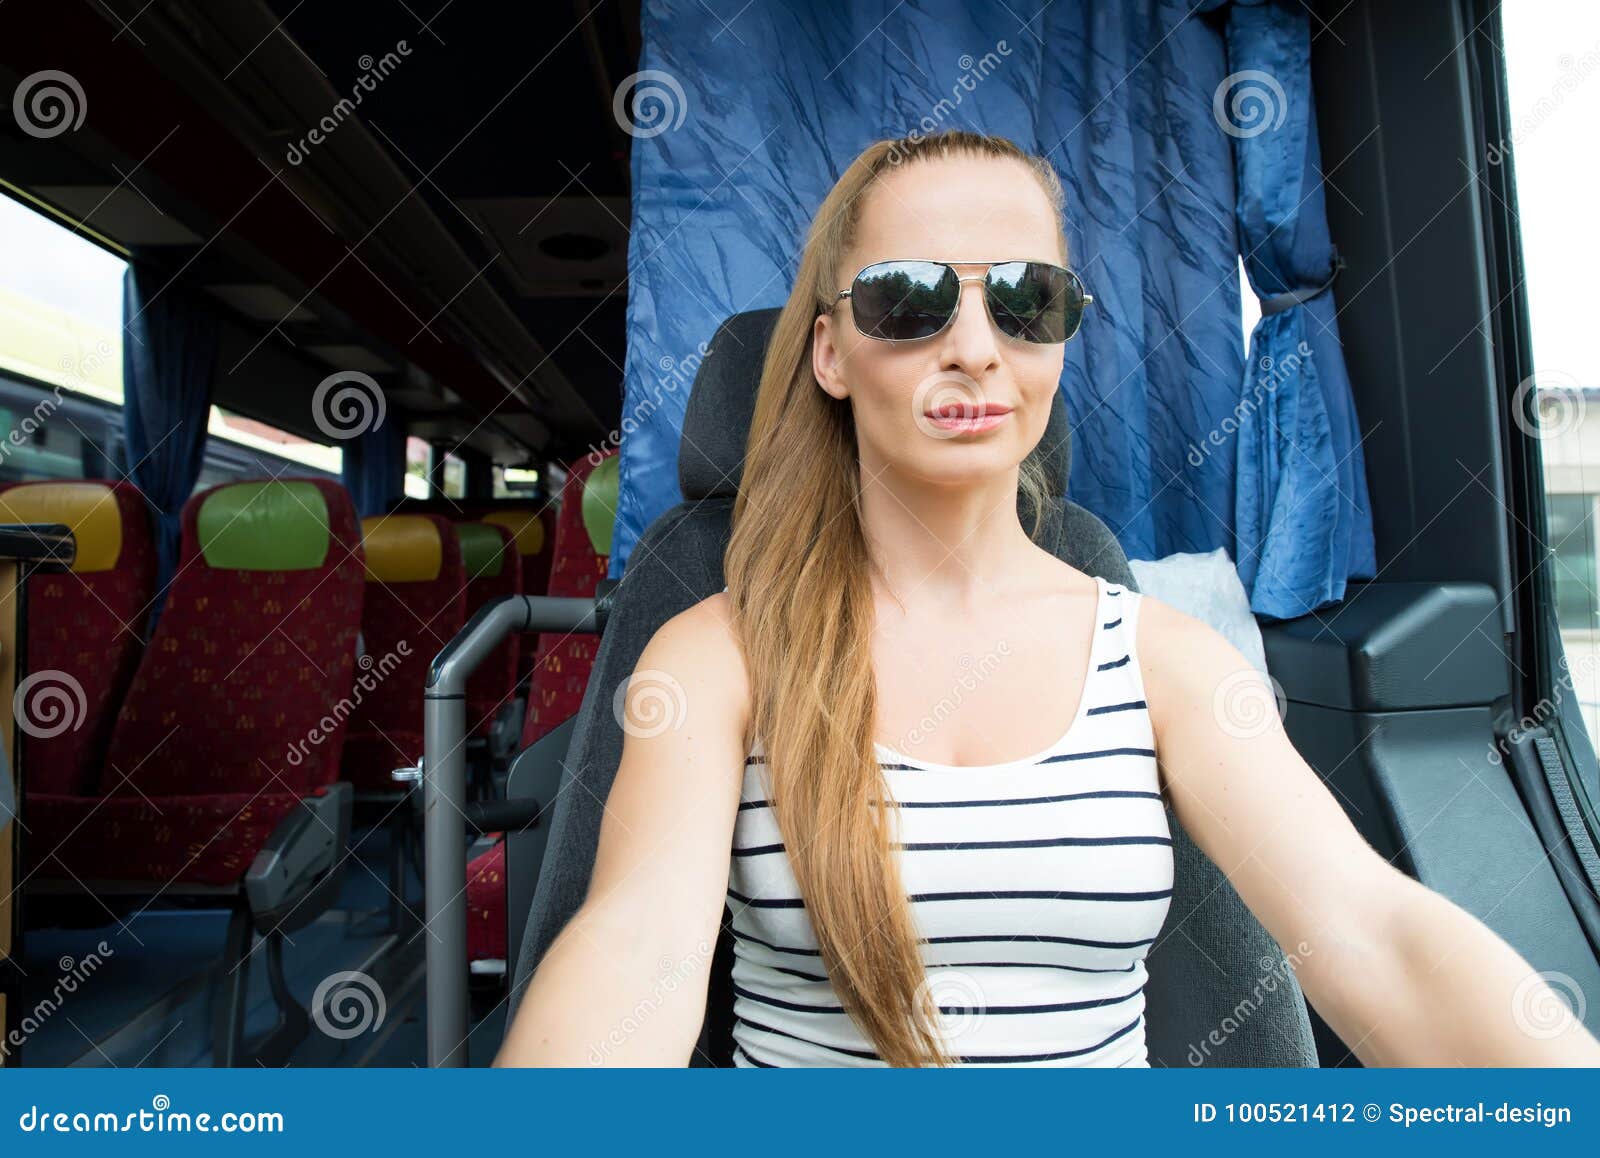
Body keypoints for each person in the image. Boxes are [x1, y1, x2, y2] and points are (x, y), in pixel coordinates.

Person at [497, 130, 1600, 1067]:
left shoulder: (1168, 663)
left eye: (1027, 301)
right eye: (908, 300)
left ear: (1061, 338)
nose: (976, 349)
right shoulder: (714, 653)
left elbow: (1369, 932)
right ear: (830, 353)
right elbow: (637, 951)